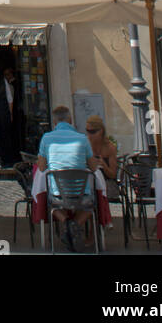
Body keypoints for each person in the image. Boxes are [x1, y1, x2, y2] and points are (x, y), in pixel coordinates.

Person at [37, 105, 99, 253]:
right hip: (81, 193)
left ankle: (66, 221)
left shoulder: (46, 138)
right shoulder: (83, 139)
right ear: (70, 120)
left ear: (55, 123)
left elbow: (41, 167)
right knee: (91, 205)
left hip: (58, 194)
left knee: (51, 204)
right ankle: (76, 223)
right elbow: (94, 168)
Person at [85, 115, 120, 202]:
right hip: (90, 181)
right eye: (87, 131)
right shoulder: (85, 145)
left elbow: (113, 174)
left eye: (92, 132)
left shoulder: (109, 147)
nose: (89, 135)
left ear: (101, 131)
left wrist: (103, 164)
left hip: (107, 182)